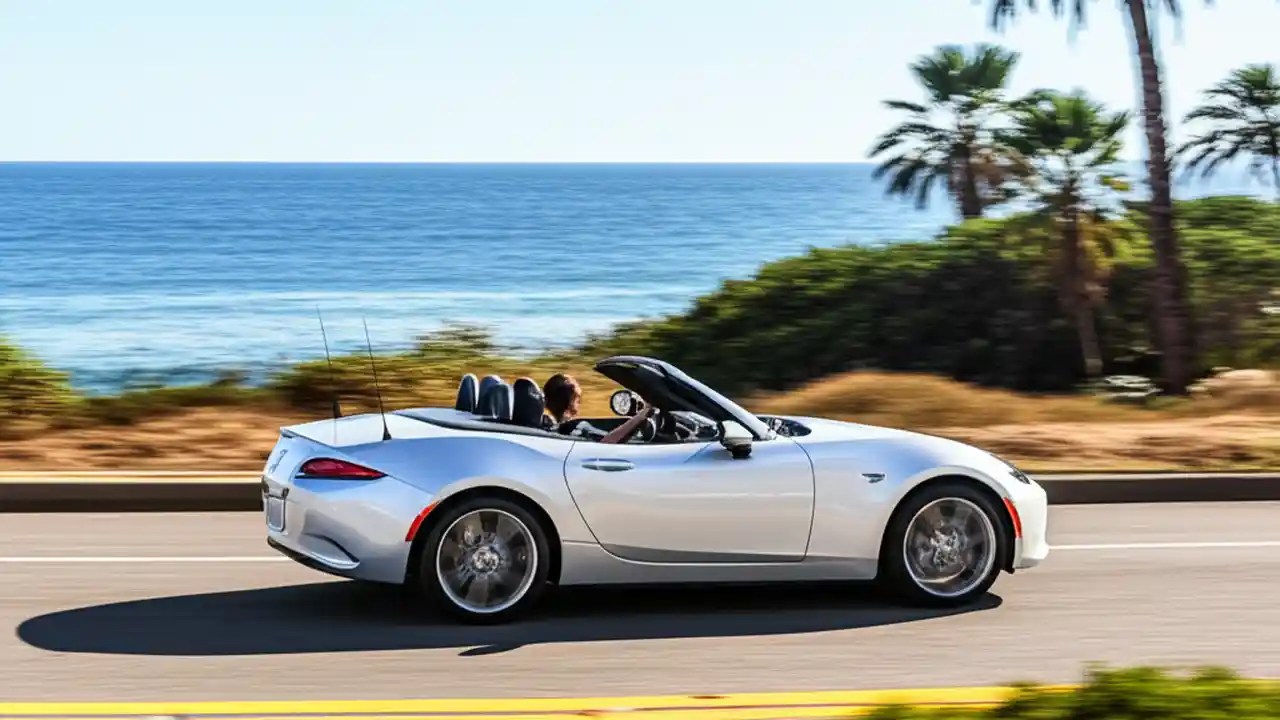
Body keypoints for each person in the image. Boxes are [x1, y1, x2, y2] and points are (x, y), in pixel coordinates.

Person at [542, 373, 652, 444]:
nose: (579, 403)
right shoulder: (577, 428)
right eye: (577, 400)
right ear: (571, 402)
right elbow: (606, 442)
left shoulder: (545, 429)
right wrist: (641, 415)